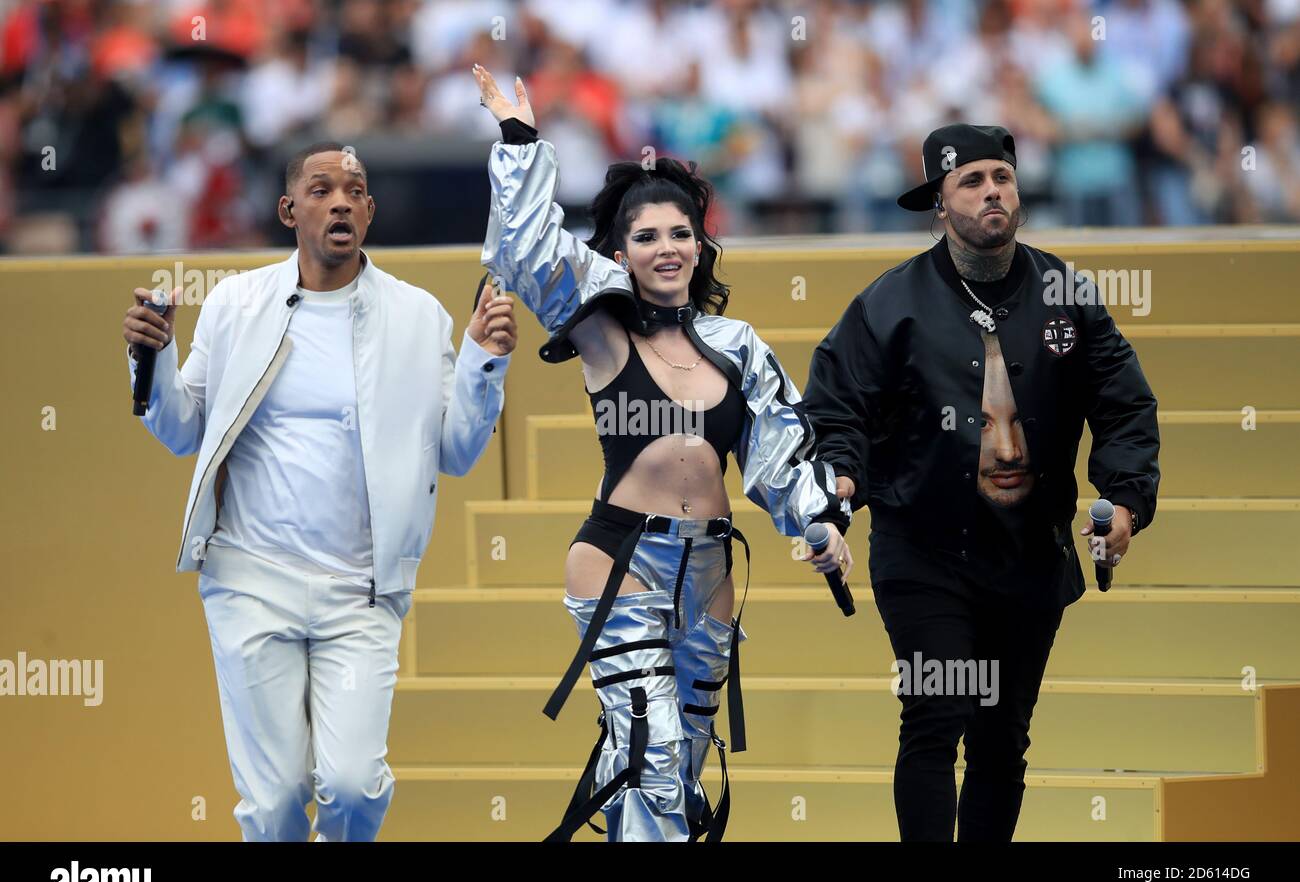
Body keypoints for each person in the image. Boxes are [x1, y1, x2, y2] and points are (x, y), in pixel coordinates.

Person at [472, 64, 853, 842]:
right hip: (622, 557)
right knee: (652, 751)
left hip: (710, 569)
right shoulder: (603, 324)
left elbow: (779, 449)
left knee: (674, 769)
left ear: (700, 243)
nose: (667, 247)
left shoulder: (735, 344)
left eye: (681, 232)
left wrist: (819, 521)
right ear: (618, 250)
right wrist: (518, 140)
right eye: (645, 236)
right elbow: (525, 251)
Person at [122, 141, 517, 841]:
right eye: (321, 188)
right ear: (288, 210)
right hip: (249, 578)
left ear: (368, 211)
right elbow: (184, 433)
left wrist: (484, 360)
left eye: (355, 190)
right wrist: (153, 356)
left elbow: (455, 453)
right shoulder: (235, 304)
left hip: (362, 590)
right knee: (273, 803)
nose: (340, 200)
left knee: (352, 787)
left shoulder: (418, 317)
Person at [801, 123, 1160, 842]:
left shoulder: (1066, 290)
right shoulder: (889, 303)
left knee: (1003, 738)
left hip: (1029, 549)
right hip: (923, 549)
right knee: (935, 717)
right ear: (939, 202)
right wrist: (836, 489)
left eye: (1003, 176)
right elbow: (837, 410)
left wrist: (1124, 498)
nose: (992, 190)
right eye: (972, 180)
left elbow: (1124, 404)